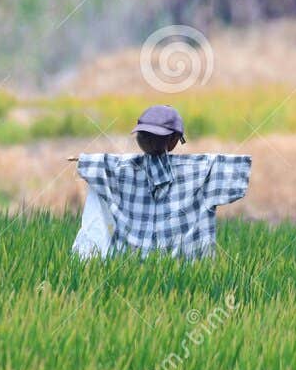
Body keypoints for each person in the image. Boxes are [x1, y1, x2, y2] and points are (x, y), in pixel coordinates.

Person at [72, 104, 251, 259]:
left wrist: (85, 161)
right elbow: (237, 169)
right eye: (146, 136)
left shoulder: (117, 169)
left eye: (151, 136)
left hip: (140, 271)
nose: (149, 141)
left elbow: (93, 165)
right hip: (164, 273)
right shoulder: (203, 170)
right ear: (174, 141)